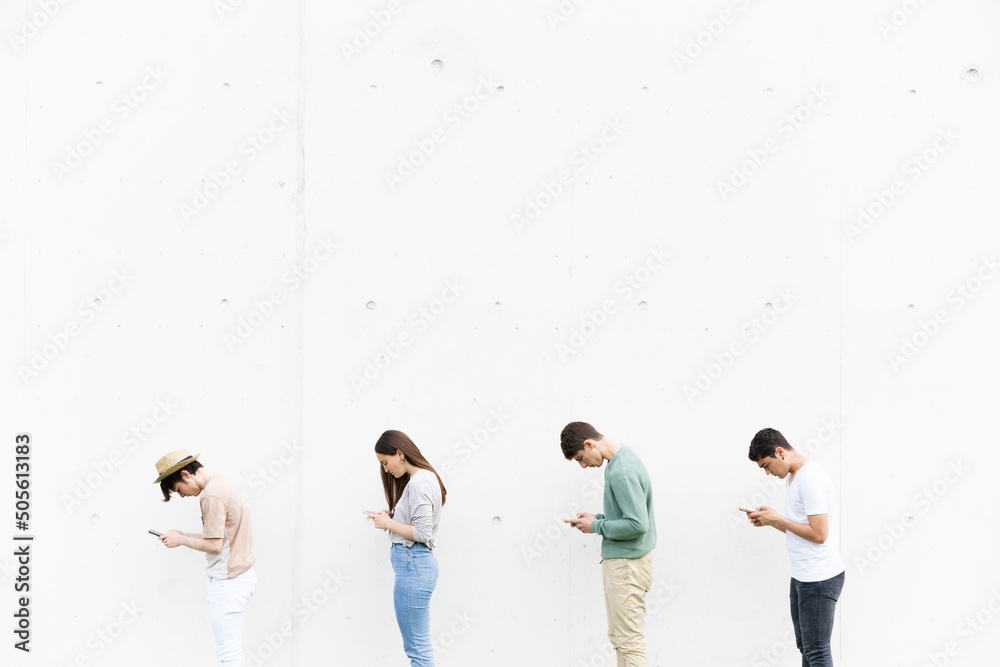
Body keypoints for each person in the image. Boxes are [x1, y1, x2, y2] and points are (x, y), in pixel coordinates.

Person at [746, 427, 845, 667]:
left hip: (819, 578)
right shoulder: (794, 476)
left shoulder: (810, 479)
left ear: (780, 452)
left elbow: (820, 534)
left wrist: (777, 518)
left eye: (766, 465)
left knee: (817, 651)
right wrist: (771, 521)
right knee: (807, 649)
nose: (768, 473)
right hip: (802, 576)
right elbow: (801, 529)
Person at [561, 421, 657, 667]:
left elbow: (637, 524)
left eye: (581, 458)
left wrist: (596, 526)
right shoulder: (621, 459)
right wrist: (598, 519)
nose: (583, 465)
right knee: (621, 639)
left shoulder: (620, 470)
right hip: (627, 563)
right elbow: (629, 516)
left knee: (629, 642)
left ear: (589, 444)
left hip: (627, 566)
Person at [154, 450, 256, 667]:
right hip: (238, 577)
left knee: (229, 653)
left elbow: (214, 545)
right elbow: (219, 536)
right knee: (231, 649)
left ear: (185, 474)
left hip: (229, 581)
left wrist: (180, 541)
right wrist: (181, 535)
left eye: (178, 490)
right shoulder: (220, 483)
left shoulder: (211, 496)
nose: (182, 496)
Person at [369, 430, 447, 667]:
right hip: (416, 566)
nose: (385, 469)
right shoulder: (425, 478)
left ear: (400, 454)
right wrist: (391, 516)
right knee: (418, 648)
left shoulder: (419, 483)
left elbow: (423, 533)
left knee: (417, 651)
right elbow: (417, 522)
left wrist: (389, 524)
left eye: (385, 462)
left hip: (413, 567)